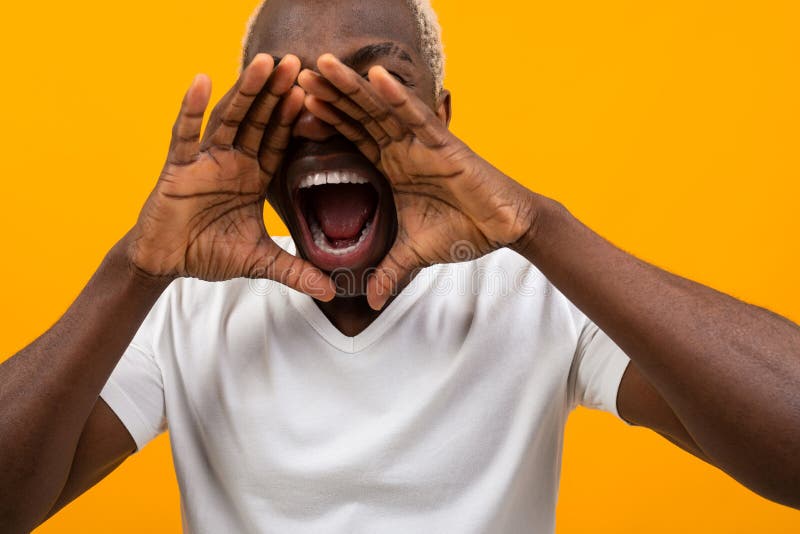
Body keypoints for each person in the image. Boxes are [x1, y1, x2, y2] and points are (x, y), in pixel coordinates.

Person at [1, 0, 799, 531]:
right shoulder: (184, 309)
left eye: (371, 82)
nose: (322, 114)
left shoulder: (536, 290)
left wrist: (537, 227)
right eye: (284, 90)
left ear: (442, 118)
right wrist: (135, 271)